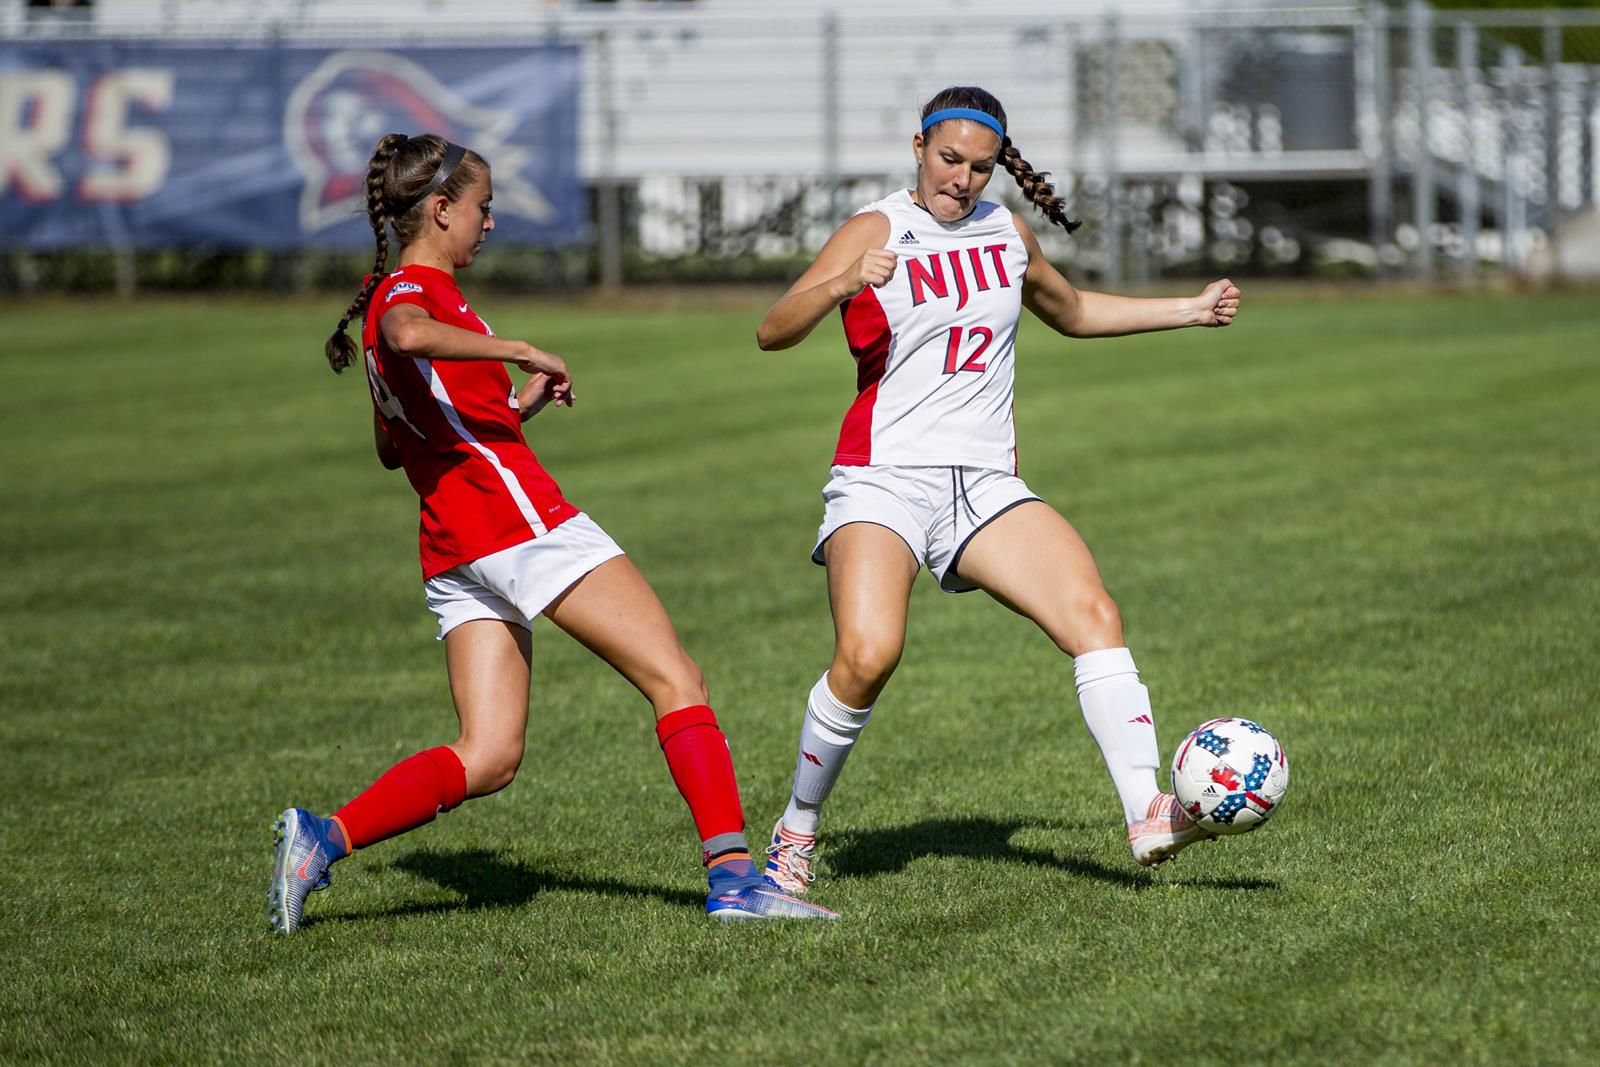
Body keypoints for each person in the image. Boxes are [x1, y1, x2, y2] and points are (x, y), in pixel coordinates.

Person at [269, 133, 837, 933]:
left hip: (454, 546)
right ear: (439, 210)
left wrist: (514, 405)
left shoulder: (394, 306)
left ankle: (322, 836)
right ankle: (737, 879)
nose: (489, 223)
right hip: (518, 523)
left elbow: (396, 446)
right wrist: (519, 347)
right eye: (482, 207)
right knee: (676, 677)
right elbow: (406, 334)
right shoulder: (409, 295)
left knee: (489, 753)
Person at [755, 87, 1242, 896]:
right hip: (884, 477)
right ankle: (796, 829)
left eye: (982, 168)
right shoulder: (876, 228)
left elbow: (1075, 310)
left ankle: (1147, 810)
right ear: (918, 147)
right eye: (950, 161)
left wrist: (1187, 310)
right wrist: (842, 281)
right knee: (868, 655)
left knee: (1095, 615)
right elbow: (773, 329)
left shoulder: (1007, 233)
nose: (964, 180)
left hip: (984, 483)